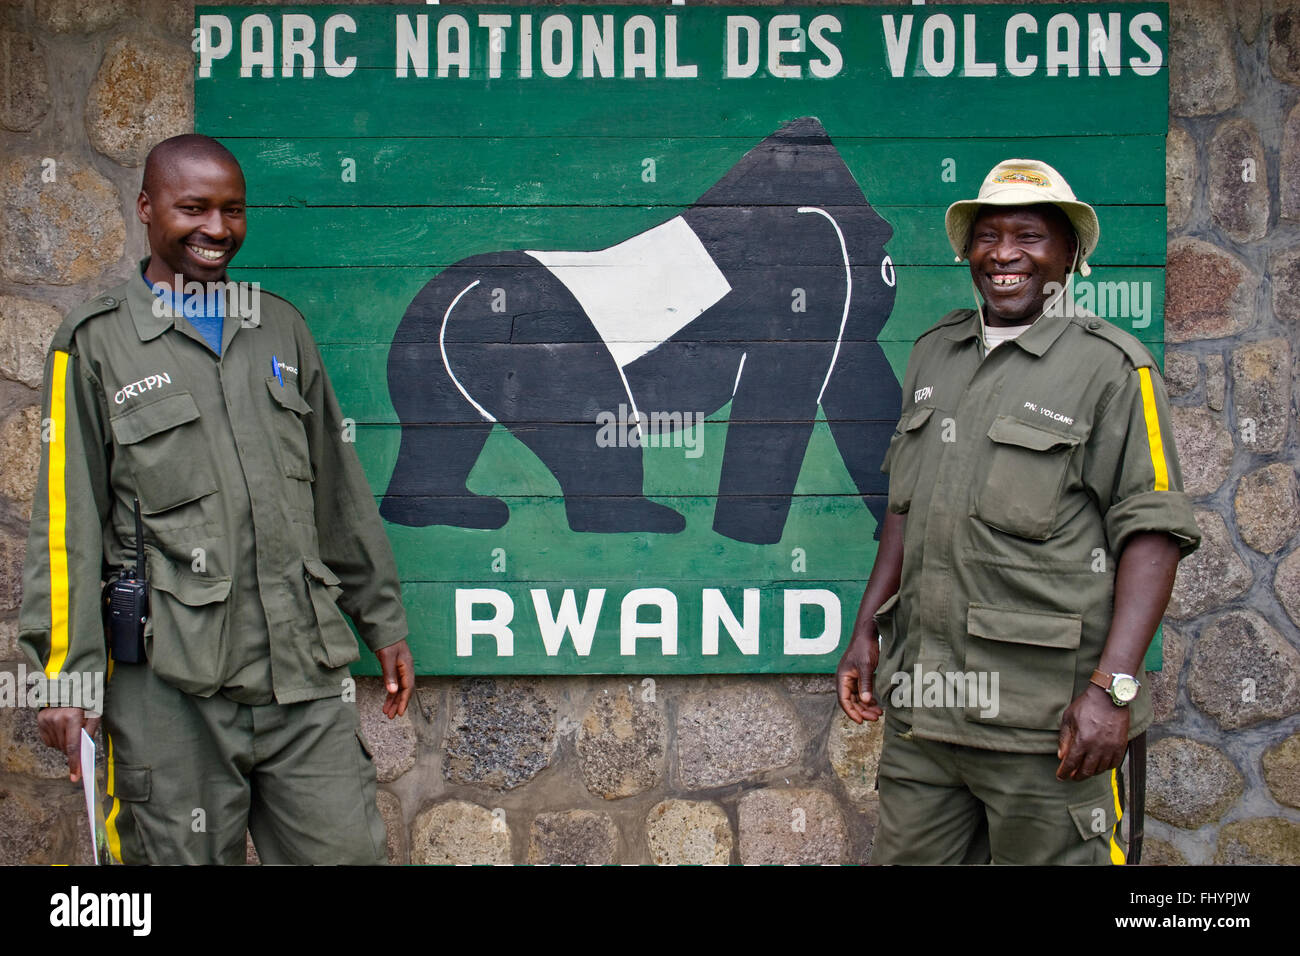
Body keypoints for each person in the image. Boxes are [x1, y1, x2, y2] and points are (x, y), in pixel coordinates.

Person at [19, 133, 415, 864]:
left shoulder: (280, 327)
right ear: (147, 207)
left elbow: (337, 488)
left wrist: (381, 617)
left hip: (300, 671)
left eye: (232, 210)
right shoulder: (98, 343)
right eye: (193, 207)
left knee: (347, 852)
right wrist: (63, 675)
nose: (216, 229)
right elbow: (65, 522)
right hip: (173, 687)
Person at [835, 159, 1201, 865]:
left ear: (1070, 254)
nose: (1004, 254)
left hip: (1048, 731)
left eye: (1029, 235)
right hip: (925, 720)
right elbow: (904, 509)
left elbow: (1153, 532)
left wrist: (1112, 691)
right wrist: (866, 631)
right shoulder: (935, 353)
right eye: (988, 235)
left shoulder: (1113, 368)